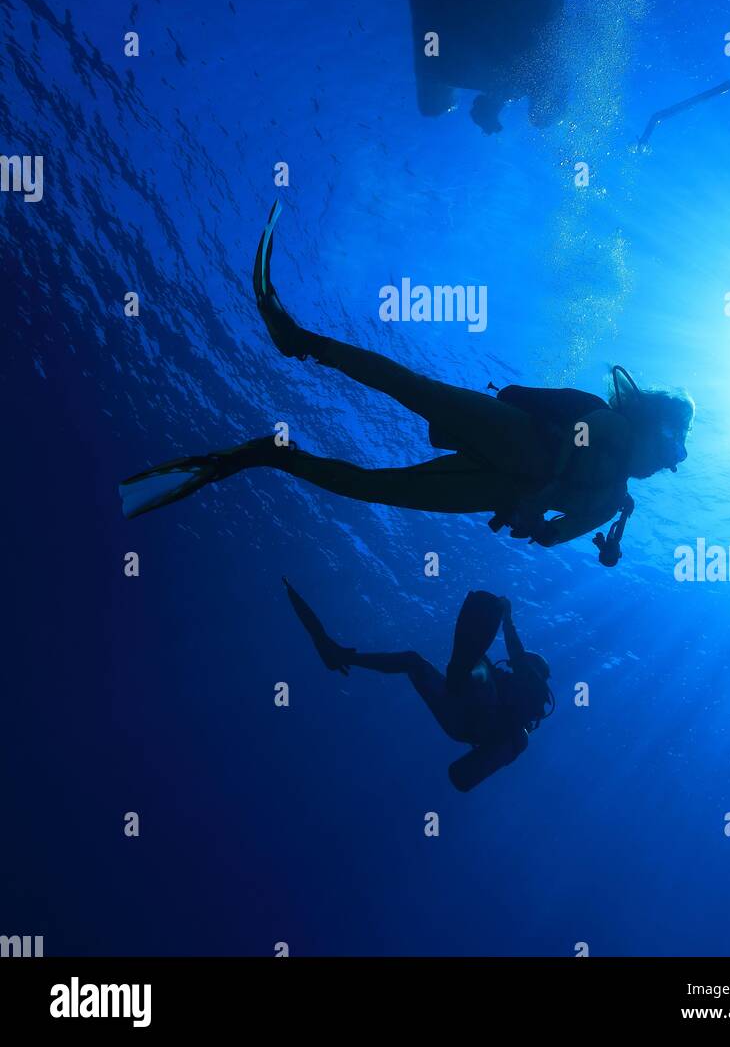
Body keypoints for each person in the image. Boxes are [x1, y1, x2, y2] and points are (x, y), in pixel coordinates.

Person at [119, 203, 694, 550]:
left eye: (674, 458)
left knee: (387, 460)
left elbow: (544, 535)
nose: (669, 460)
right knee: (408, 396)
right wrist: (550, 501)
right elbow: (580, 435)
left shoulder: (615, 497)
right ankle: (290, 375)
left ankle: (273, 448)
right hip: (518, 444)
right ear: (652, 424)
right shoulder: (615, 439)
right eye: (673, 444)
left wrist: (585, 527)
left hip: (501, 482)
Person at [284, 583, 552, 791]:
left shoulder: (531, 688)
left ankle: (462, 669)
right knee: (414, 662)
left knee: (479, 670)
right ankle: (341, 656)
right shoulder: (511, 686)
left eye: (526, 665)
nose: (518, 667)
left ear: (535, 671)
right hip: (458, 720)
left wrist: (506, 616)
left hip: (477, 721)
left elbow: (516, 655)